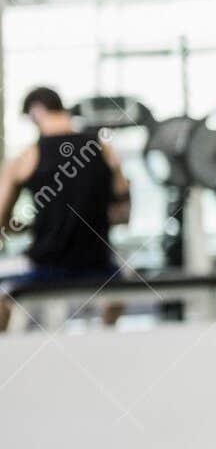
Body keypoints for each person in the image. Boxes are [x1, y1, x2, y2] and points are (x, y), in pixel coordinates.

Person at [0, 87, 129, 331]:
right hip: (99, 265)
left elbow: (1, 221)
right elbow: (123, 213)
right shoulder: (103, 148)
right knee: (117, 294)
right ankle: (105, 340)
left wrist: (28, 227)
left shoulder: (26, 157)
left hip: (46, 266)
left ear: (35, 112)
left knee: (3, 296)